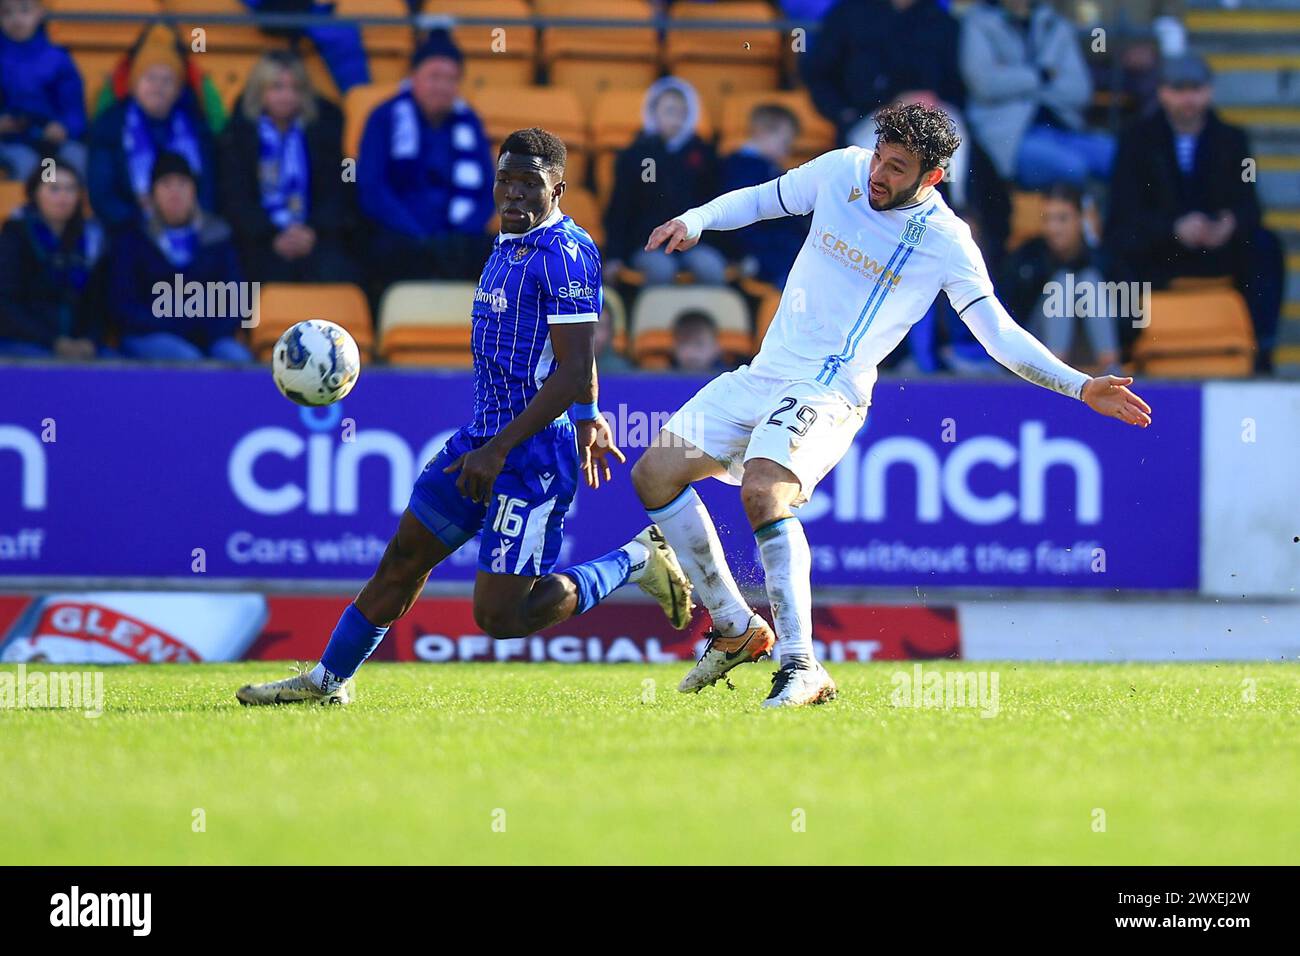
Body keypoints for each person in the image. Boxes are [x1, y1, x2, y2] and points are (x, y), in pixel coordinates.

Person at [629, 103, 1152, 709]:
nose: (878, 172)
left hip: (829, 388)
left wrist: (1079, 386)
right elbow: (764, 198)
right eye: (880, 155)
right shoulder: (843, 170)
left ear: (930, 177)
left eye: (897, 167)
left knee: (763, 491)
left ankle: (801, 665)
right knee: (654, 474)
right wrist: (697, 220)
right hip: (764, 372)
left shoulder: (947, 242)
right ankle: (735, 626)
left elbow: (998, 334)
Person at [236, 128, 695, 706]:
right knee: (404, 558)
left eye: (530, 183)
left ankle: (635, 559)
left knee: (501, 616)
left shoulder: (567, 254)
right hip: (479, 441)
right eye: (506, 180)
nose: (514, 194)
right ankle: (328, 683)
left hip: (529, 458)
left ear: (559, 188)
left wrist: (543, 429)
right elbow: (569, 356)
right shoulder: (506, 240)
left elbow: (575, 365)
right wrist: (588, 415)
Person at [1105, 53, 1284, 369]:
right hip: (1161, 252)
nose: (1188, 98)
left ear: (1209, 91)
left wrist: (1229, 224)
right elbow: (1123, 214)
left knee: (1265, 246)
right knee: (1118, 252)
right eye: (1179, 88)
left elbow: (1250, 207)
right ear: (1163, 92)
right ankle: (1127, 349)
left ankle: (1261, 347)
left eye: (1195, 89)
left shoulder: (1232, 139)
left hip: (1216, 250)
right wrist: (1172, 228)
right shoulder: (1136, 140)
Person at [357, 29, 495, 291]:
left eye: (451, 79)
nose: (442, 87)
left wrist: (462, 233)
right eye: (434, 77)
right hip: (400, 234)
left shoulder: (470, 122)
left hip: (459, 239)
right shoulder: (384, 117)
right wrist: (415, 233)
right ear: (414, 77)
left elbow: (489, 189)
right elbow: (372, 187)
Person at [219, 51, 358, 283]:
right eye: (277, 87)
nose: (287, 96)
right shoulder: (236, 135)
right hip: (258, 241)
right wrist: (271, 236)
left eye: (295, 88)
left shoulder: (326, 131)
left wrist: (313, 231)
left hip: (318, 238)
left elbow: (344, 185)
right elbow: (233, 197)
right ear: (259, 92)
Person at [108, 152, 252, 361]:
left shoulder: (217, 235)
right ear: (152, 194)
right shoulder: (132, 239)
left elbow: (235, 298)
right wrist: (175, 325)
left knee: (238, 358)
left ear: (194, 191)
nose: (175, 192)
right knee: (186, 358)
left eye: (183, 184)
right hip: (148, 334)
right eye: (166, 184)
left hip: (208, 335)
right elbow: (122, 304)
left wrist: (206, 328)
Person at [960, 0, 1114, 188]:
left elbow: (1080, 91)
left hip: (1063, 128)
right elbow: (984, 84)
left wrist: (1014, 80)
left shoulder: (1056, 24)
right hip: (1010, 138)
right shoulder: (977, 22)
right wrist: (1042, 75)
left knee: (1118, 157)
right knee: (1072, 167)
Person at [86, 23, 217, 233]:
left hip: (192, 228)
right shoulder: (110, 125)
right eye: (150, 78)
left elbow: (209, 188)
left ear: (178, 89)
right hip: (129, 231)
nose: (158, 87)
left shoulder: (196, 125)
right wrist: (140, 229)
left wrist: (193, 222)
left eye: (167, 80)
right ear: (134, 84)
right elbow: (103, 194)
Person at [603, 77, 726, 286]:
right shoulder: (635, 155)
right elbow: (621, 207)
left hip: (693, 242)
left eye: (682, 112)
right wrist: (614, 255)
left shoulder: (704, 155)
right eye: (669, 111)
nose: (676, 118)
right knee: (661, 269)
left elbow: (715, 203)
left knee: (710, 267)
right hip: (646, 243)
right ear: (653, 112)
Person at [802, 0, 965, 142]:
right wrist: (846, 114)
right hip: (865, 122)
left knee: (951, 144)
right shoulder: (850, 13)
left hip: (929, 123)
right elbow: (820, 73)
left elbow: (955, 86)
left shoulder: (943, 23)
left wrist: (929, 103)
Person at [1000, 182, 1119, 372]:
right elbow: (1008, 314)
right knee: (1063, 284)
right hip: (1039, 348)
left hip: (1092, 348)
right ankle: (1056, 375)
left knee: (1088, 280)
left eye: (1062, 219)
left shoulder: (1104, 260)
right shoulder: (1027, 257)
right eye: (1048, 219)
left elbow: (1129, 320)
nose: (1054, 228)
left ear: (1081, 219)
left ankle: (1112, 373)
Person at [0, 161, 107, 357]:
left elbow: (98, 304)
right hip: (24, 340)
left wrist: (90, 341)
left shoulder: (90, 239)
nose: (63, 196)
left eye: (70, 189)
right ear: (35, 192)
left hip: (78, 343)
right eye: (54, 188)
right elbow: (6, 306)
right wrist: (53, 341)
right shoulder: (15, 236)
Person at [721, 104, 810, 288]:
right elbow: (740, 223)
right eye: (784, 143)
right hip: (759, 254)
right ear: (762, 132)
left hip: (780, 249)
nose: (787, 151)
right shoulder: (739, 168)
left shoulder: (773, 170)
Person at [0, 0, 86, 180]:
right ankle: (24, 208)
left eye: (24, 10)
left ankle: (56, 205)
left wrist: (65, 127)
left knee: (75, 158)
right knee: (26, 163)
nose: (16, 20)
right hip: (10, 141)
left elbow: (74, 108)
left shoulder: (57, 58)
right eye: (6, 12)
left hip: (49, 140)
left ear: (40, 12)